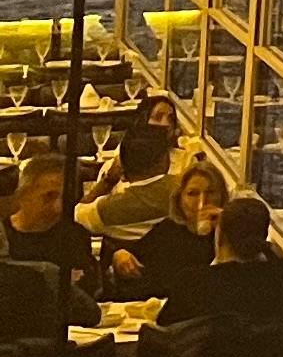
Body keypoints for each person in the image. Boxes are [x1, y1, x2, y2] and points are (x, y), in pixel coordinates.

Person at [106, 156, 232, 311]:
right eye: (193, 194)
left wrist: (223, 228)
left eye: (210, 192)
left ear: (221, 197)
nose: (202, 201)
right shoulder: (168, 230)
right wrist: (119, 255)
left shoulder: (230, 235)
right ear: (180, 198)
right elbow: (134, 260)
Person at [76, 96, 185, 248]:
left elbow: (78, 215)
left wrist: (107, 181)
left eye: (171, 119)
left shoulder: (107, 209)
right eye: (158, 117)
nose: (166, 124)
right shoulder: (183, 192)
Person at [5, 157, 101, 317]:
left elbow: (87, 295)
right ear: (22, 195)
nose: (58, 207)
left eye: (63, 198)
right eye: (48, 197)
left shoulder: (74, 235)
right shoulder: (4, 238)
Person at [194, 191, 283, 329]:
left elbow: (166, 330)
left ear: (220, 235)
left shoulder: (197, 283)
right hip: (269, 350)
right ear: (265, 234)